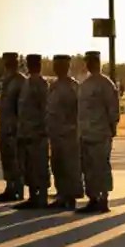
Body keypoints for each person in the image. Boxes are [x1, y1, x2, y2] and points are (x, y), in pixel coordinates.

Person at [77, 51, 119, 213]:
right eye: (88, 61)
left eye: (92, 61)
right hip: (86, 132)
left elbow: (113, 109)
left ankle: (103, 198)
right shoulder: (85, 84)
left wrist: (111, 127)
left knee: (100, 166)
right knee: (88, 167)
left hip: (100, 132)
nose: (89, 64)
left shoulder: (106, 84)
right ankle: (93, 198)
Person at [14, 54, 51, 210]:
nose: (30, 66)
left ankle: (41, 197)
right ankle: (33, 196)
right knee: (29, 167)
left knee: (39, 166)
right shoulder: (27, 83)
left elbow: (45, 109)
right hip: (26, 131)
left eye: (33, 63)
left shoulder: (41, 84)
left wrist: (42, 130)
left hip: (37, 132)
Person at [46, 54, 82, 210]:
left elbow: (79, 109)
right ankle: (61, 194)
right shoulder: (53, 86)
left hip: (69, 133)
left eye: (60, 65)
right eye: (56, 65)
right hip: (56, 132)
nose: (57, 68)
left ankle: (70, 196)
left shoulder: (73, 86)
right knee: (57, 164)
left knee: (70, 166)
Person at [0, 52, 26, 202]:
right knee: (6, 157)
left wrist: (19, 126)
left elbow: (23, 107)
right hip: (5, 126)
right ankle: (9, 186)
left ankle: (17, 189)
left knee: (16, 159)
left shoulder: (20, 81)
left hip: (15, 128)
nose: (8, 63)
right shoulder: (6, 80)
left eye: (11, 61)